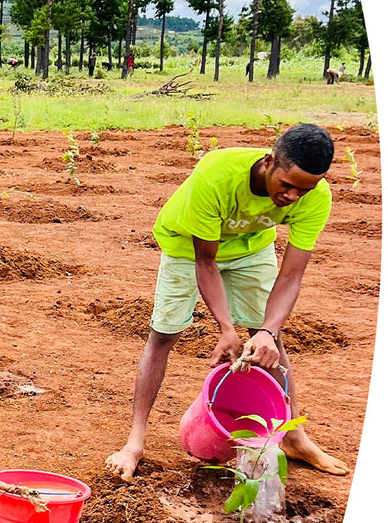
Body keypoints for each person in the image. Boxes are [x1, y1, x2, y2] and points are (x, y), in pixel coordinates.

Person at [105, 123, 349, 482]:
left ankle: (294, 437)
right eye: (287, 185)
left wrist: (267, 330)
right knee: (163, 336)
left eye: (305, 189)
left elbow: (291, 275)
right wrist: (225, 328)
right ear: (268, 163)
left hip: (251, 246)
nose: (294, 196)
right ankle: (135, 442)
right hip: (187, 245)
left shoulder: (316, 195)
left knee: (271, 343)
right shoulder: (217, 173)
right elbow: (206, 261)